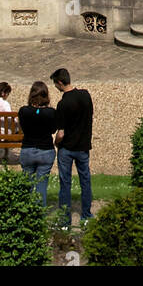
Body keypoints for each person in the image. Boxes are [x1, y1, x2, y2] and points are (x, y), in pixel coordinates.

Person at [50, 67, 93, 229]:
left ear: (60, 82)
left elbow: (61, 133)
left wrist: (56, 143)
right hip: (83, 146)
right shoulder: (85, 96)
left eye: (56, 84)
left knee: (65, 183)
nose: (56, 87)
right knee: (85, 181)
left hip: (67, 148)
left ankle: (65, 220)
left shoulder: (63, 104)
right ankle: (86, 214)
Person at [18, 81, 58, 207]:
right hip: (45, 150)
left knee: (26, 185)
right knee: (42, 185)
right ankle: (39, 216)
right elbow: (53, 130)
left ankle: (25, 214)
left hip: (28, 149)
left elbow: (23, 127)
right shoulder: (52, 113)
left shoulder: (24, 111)